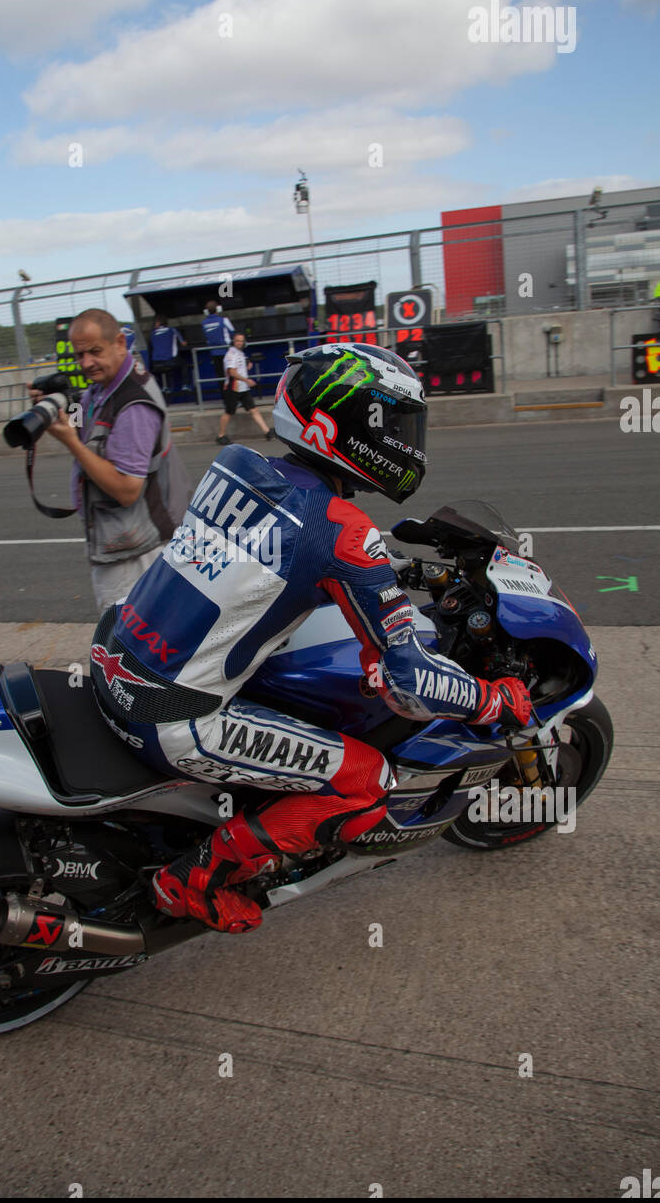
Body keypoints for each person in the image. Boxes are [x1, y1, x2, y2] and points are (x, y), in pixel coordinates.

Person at [89, 342, 533, 933]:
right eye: (394, 424)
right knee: (367, 781)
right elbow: (408, 682)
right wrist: (494, 699)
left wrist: (393, 570)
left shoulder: (238, 464)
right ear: (342, 425)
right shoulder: (340, 528)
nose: (406, 441)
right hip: (170, 716)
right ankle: (194, 879)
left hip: (114, 654)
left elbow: (275, 554)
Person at [38, 308, 190, 613]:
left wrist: (70, 442)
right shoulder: (102, 388)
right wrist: (56, 409)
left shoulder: (133, 404)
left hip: (136, 554)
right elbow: (90, 429)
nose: (86, 363)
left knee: (127, 646)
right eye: (80, 355)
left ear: (120, 342)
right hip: (125, 542)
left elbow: (126, 489)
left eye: (95, 352)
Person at [216, 331, 273, 444]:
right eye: (237, 340)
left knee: (253, 409)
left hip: (243, 388)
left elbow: (240, 368)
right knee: (229, 412)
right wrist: (247, 380)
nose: (239, 343)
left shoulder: (240, 353)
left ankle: (267, 432)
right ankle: (220, 435)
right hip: (233, 388)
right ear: (233, 341)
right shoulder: (230, 354)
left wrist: (247, 366)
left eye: (241, 341)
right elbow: (232, 372)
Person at [200, 300, 234, 383]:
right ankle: (233, 395)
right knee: (231, 375)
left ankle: (224, 395)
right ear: (218, 309)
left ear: (206, 311)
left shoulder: (203, 323)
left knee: (220, 377)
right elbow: (232, 332)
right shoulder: (223, 320)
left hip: (214, 353)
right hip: (226, 351)